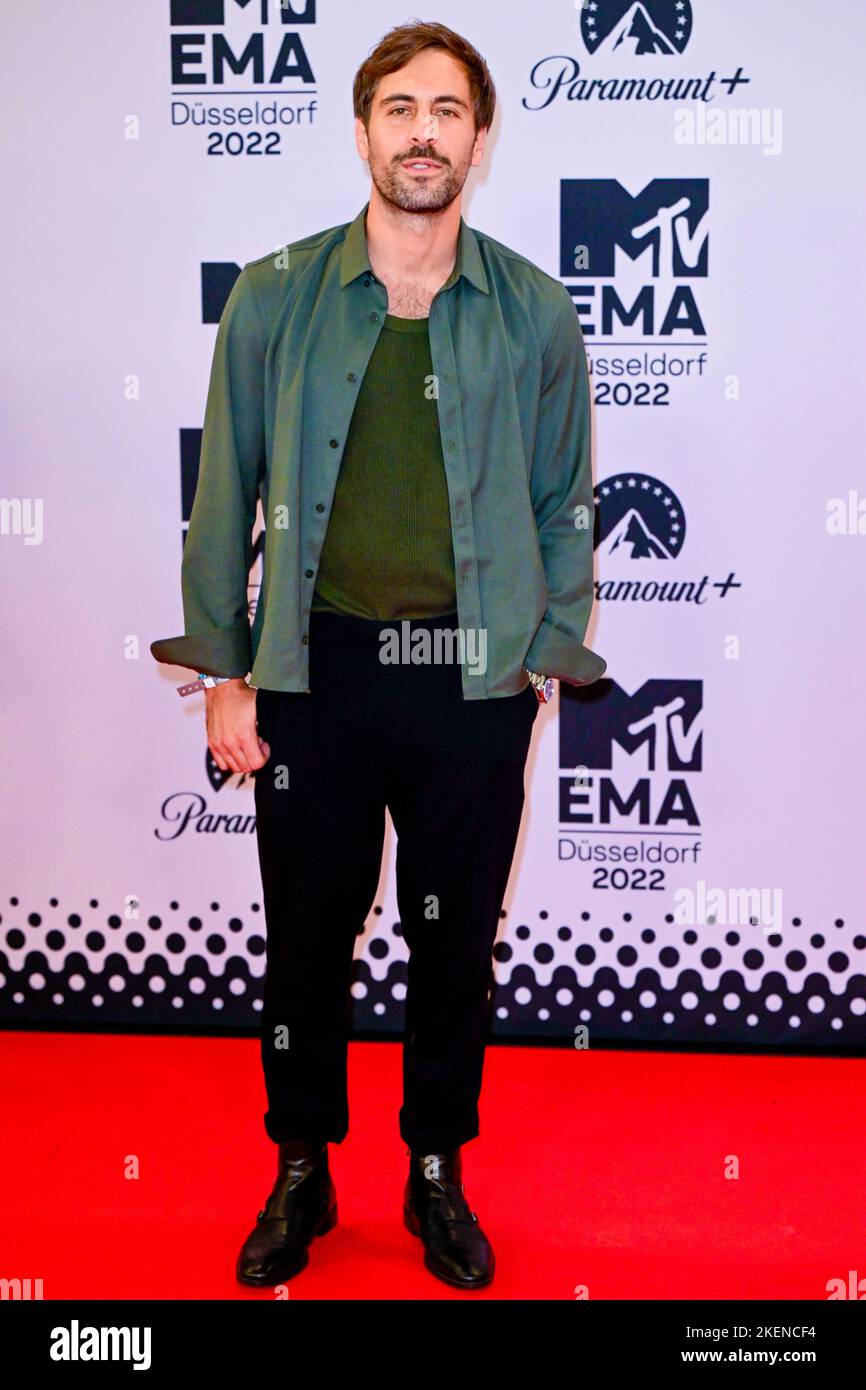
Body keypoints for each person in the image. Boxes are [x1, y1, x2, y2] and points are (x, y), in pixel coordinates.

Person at [151, 19, 606, 1292]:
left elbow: (567, 495)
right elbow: (222, 491)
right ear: (361, 131)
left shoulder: (530, 308)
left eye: (446, 111)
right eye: (398, 108)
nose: (422, 132)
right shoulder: (278, 291)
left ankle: (434, 1172)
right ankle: (299, 1170)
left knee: (453, 939)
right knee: (303, 938)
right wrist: (227, 673)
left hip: (470, 681)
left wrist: (544, 655)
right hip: (316, 675)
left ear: (478, 136)